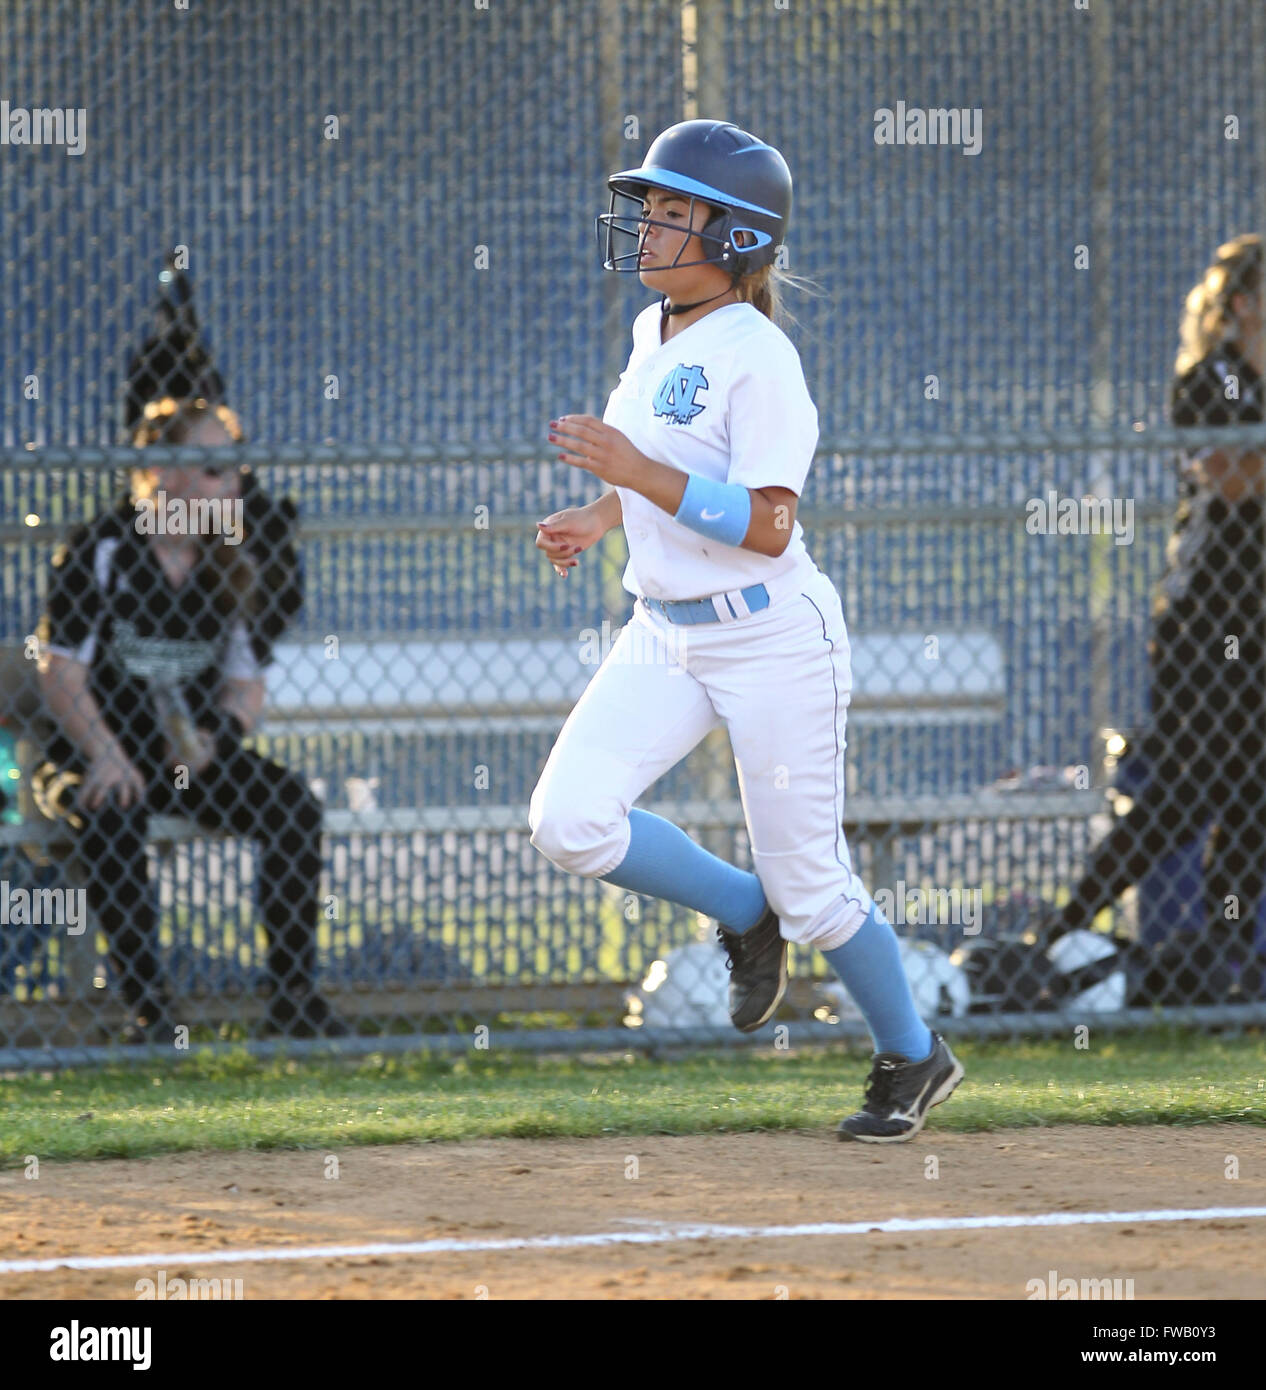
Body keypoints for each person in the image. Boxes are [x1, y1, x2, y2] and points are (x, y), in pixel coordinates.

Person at [527, 120, 963, 1142]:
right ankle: (738, 906)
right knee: (569, 819)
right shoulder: (656, 334)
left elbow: (769, 525)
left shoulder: (760, 355)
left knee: (814, 884)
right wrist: (599, 517)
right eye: (652, 208)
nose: (647, 228)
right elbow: (660, 476)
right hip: (666, 630)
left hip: (771, 637)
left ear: (735, 237)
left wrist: (632, 476)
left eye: (675, 213)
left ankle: (912, 1053)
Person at [34, 261, 344, 1043]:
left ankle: (293, 1003)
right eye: (213, 468)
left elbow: (244, 681)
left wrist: (219, 743)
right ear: (161, 473)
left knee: (291, 807)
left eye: (234, 466)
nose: (234, 482)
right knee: (110, 814)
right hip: (96, 751)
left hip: (186, 756)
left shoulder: (230, 555)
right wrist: (105, 755)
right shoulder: (103, 549)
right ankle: (152, 1016)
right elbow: (60, 673)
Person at [1041, 235, 1266, 992]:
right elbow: (1235, 479)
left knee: (1253, 789)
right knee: (1184, 792)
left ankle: (1230, 957)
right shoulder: (1215, 378)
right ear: (1243, 304)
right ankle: (1064, 933)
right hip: (1207, 621)